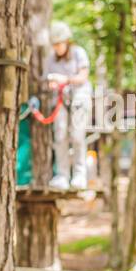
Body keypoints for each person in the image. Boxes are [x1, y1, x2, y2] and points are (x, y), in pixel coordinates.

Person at [42, 20, 92, 190]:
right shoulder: (51, 60)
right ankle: (62, 174)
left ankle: (79, 173)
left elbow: (83, 77)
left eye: (59, 44)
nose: (57, 47)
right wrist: (54, 84)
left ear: (66, 41)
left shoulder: (79, 53)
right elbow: (48, 81)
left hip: (79, 98)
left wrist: (67, 80)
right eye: (54, 44)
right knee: (60, 135)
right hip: (60, 101)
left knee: (77, 136)